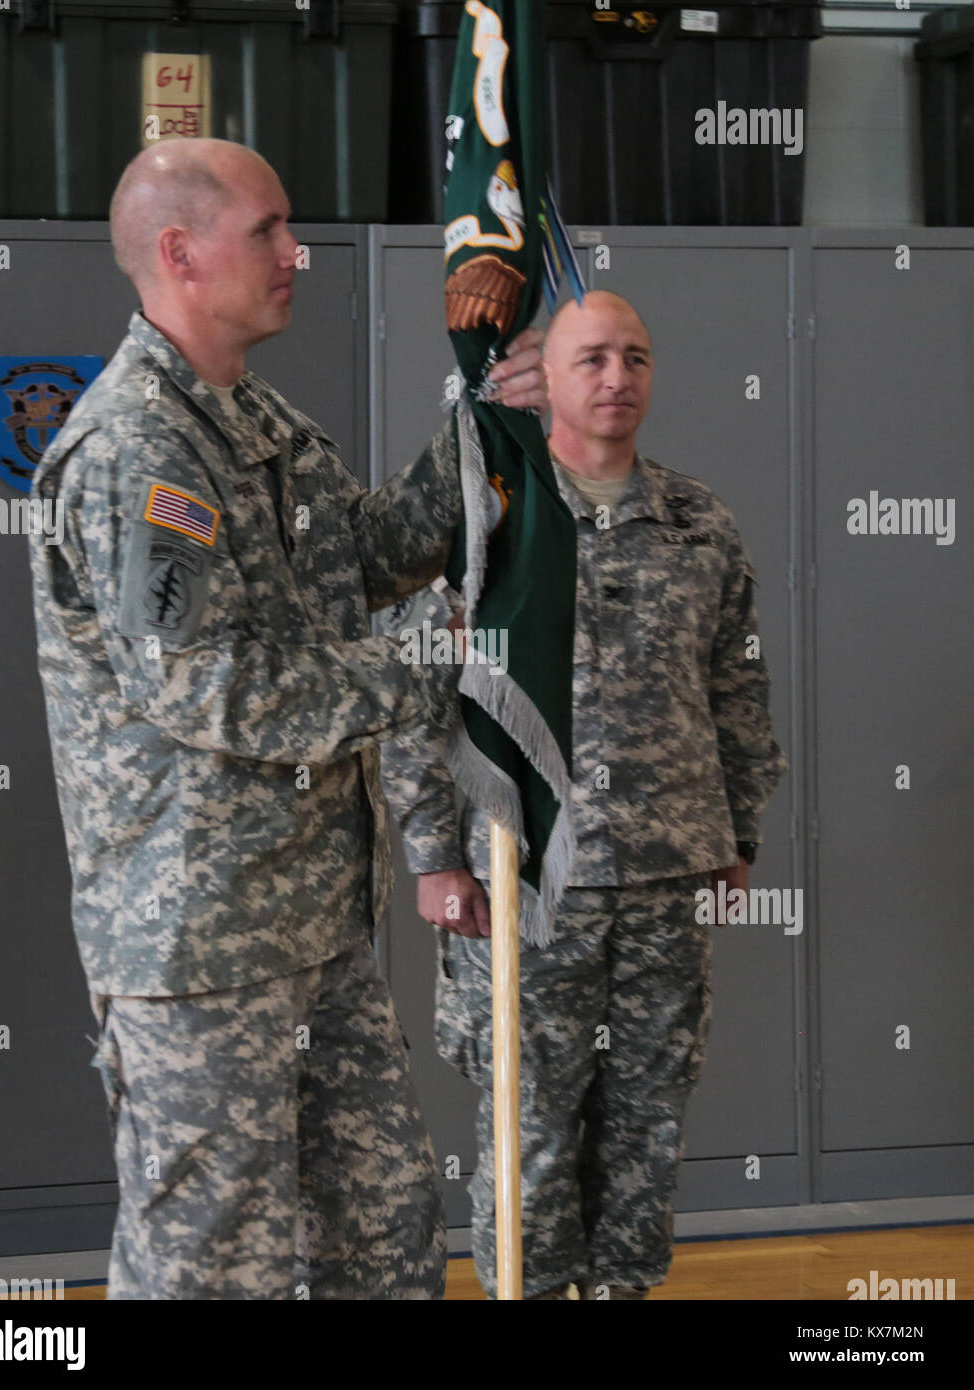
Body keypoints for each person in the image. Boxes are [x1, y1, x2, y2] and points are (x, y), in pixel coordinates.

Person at [26, 136, 546, 1300]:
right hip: (199, 950)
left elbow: (364, 555)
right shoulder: (133, 451)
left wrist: (487, 424)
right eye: (266, 230)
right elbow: (208, 684)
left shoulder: (257, 421)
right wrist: (430, 683)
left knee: (382, 1235)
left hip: (318, 927)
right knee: (213, 1266)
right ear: (179, 252)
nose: (293, 251)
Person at [381, 290, 787, 1300]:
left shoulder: (697, 521)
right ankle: (528, 1291)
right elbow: (418, 696)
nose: (616, 379)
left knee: (648, 1103)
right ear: (542, 378)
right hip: (524, 871)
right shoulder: (490, 520)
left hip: (666, 865)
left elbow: (735, 686)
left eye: (634, 358)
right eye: (592, 358)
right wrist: (433, 855)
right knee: (528, 1112)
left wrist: (739, 830)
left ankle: (619, 1291)